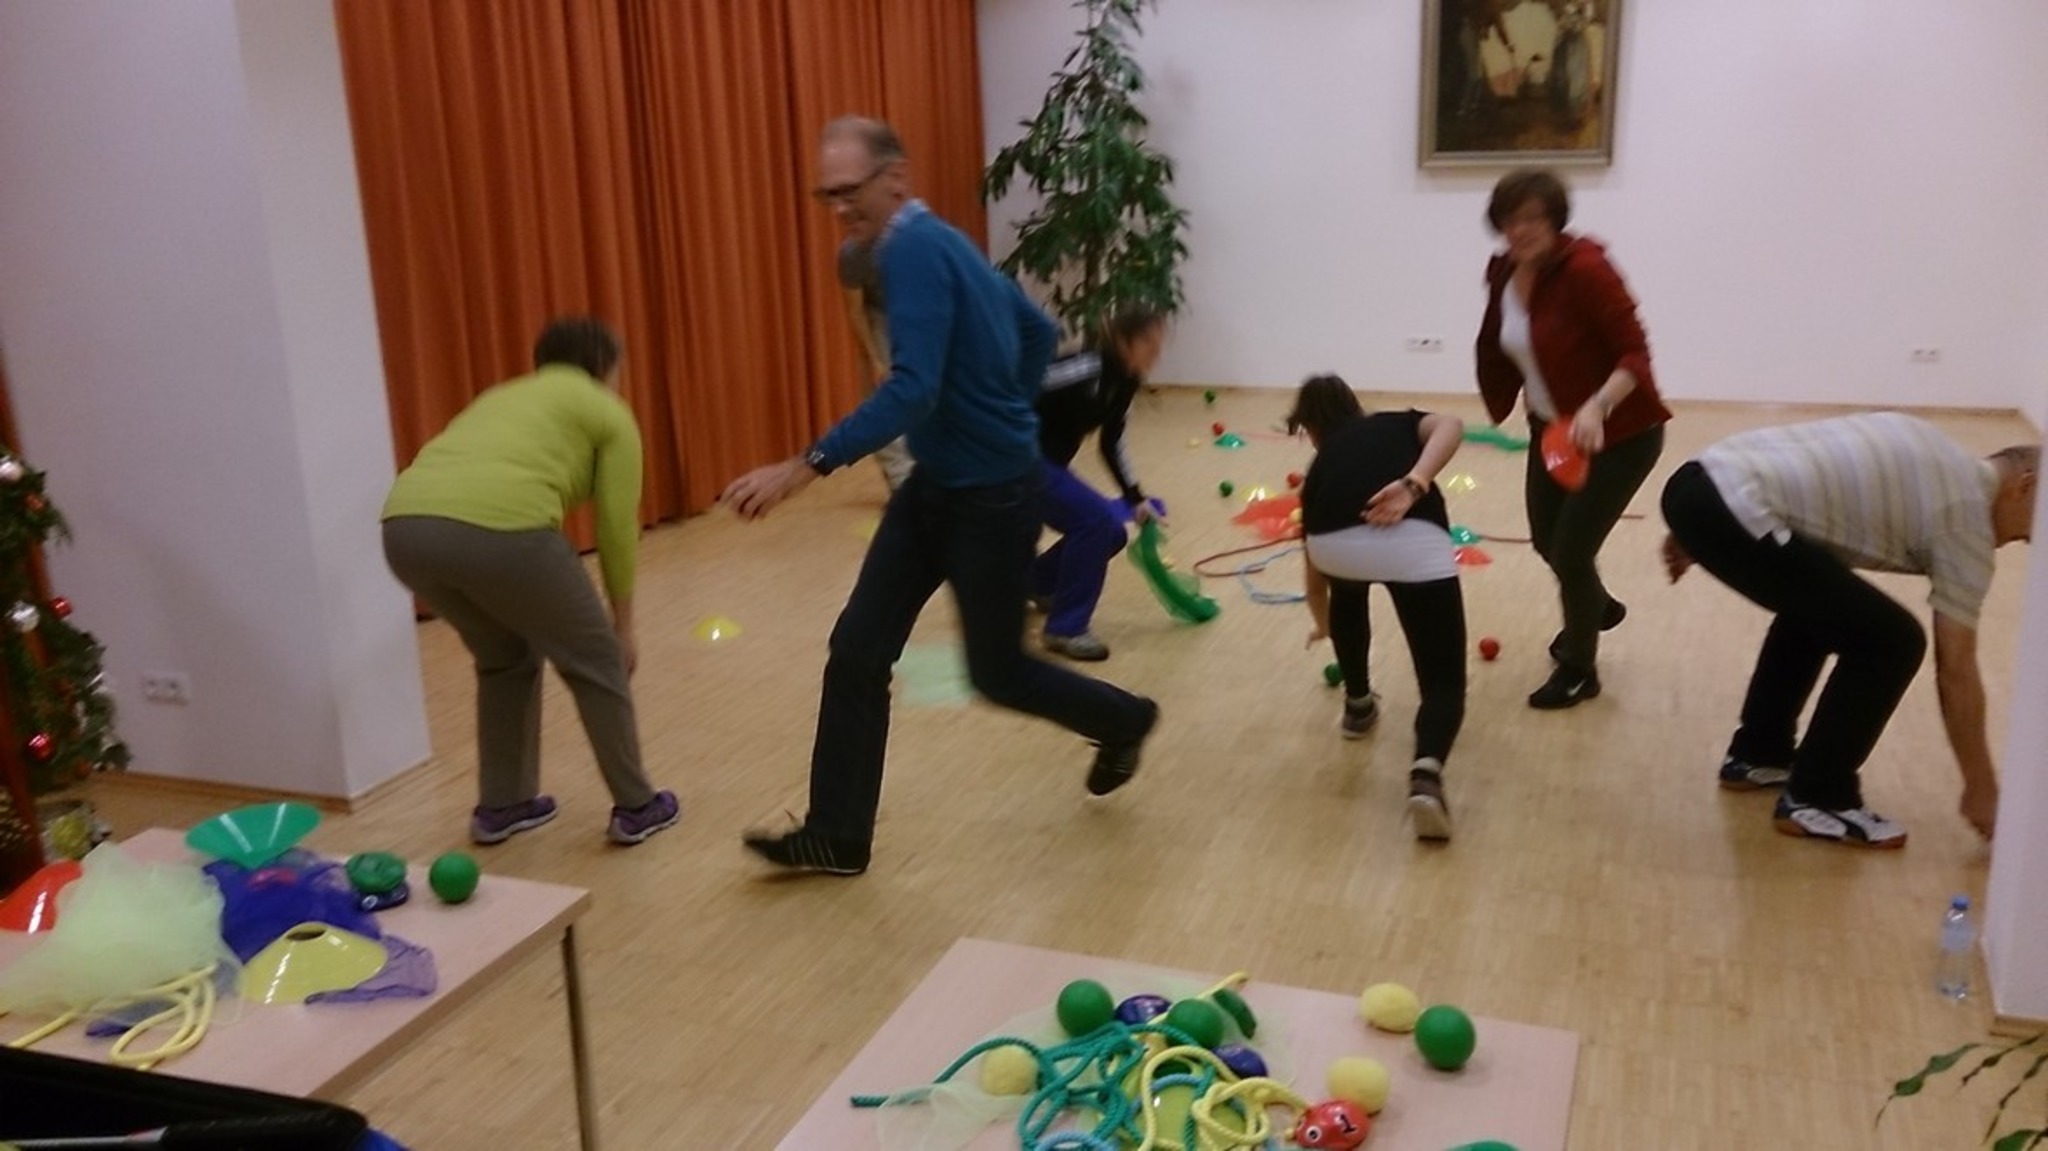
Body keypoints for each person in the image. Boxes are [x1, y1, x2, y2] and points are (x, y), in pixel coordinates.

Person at [720, 117, 1160, 877]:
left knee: (999, 673)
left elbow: (913, 388)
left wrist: (804, 467)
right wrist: (1000, 408)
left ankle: (1126, 719)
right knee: (858, 649)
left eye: (850, 191)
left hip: (992, 497)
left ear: (896, 178)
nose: (839, 209)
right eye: (827, 196)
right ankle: (838, 833)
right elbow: (1035, 329)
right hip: (937, 486)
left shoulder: (915, 250)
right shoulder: (944, 241)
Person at [1661, 413, 2035, 848]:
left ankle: (1759, 754)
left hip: (1696, 483)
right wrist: (1981, 786)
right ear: (2024, 486)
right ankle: (1819, 796)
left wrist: (1698, 525)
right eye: (2032, 530)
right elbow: (1956, 669)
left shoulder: (1935, 446)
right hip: (1731, 505)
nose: (2028, 541)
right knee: (1893, 641)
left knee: (1828, 604)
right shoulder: (1965, 522)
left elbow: (1810, 477)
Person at [381, 316, 680, 847]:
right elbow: (616, 527)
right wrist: (624, 626)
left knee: (505, 656)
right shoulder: (606, 409)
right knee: (597, 660)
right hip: (505, 530)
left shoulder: (499, 397)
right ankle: (638, 806)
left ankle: (504, 805)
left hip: (405, 531)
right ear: (605, 368)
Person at [1473, 167, 1671, 709]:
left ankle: (1580, 669)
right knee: (1547, 541)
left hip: (1621, 435)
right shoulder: (1503, 272)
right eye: (1511, 219)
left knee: (1573, 551)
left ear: (1555, 219)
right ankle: (1596, 607)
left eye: (1533, 218)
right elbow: (1506, 341)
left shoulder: (1587, 269)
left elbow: (1635, 353)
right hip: (1553, 431)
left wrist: (1597, 406)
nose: (1521, 229)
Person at [1289, 376, 1468, 842]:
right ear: (1354, 406)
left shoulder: (1320, 466)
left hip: (1333, 550)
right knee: (1444, 682)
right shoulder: (1397, 423)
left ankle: (1358, 706)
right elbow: (1452, 423)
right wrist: (1415, 482)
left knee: (1349, 591)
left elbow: (1315, 579)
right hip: (1414, 542)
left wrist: (1322, 625)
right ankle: (1426, 775)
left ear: (1310, 427)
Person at [1032, 307, 1167, 661]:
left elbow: (1112, 443)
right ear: (1123, 342)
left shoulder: (1126, 381)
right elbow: (1018, 388)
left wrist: (1135, 498)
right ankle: (1066, 628)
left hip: (1048, 465)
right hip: (1016, 460)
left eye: (1159, 344)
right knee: (1095, 522)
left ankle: (1037, 582)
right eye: (1149, 342)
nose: (1156, 352)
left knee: (1111, 532)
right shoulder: (1084, 367)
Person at [837, 239, 915, 491]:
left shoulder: (918, 242)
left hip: (917, 313)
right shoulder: (853, 255)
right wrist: (874, 359)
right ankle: (900, 479)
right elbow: (855, 310)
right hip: (878, 316)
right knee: (883, 399)